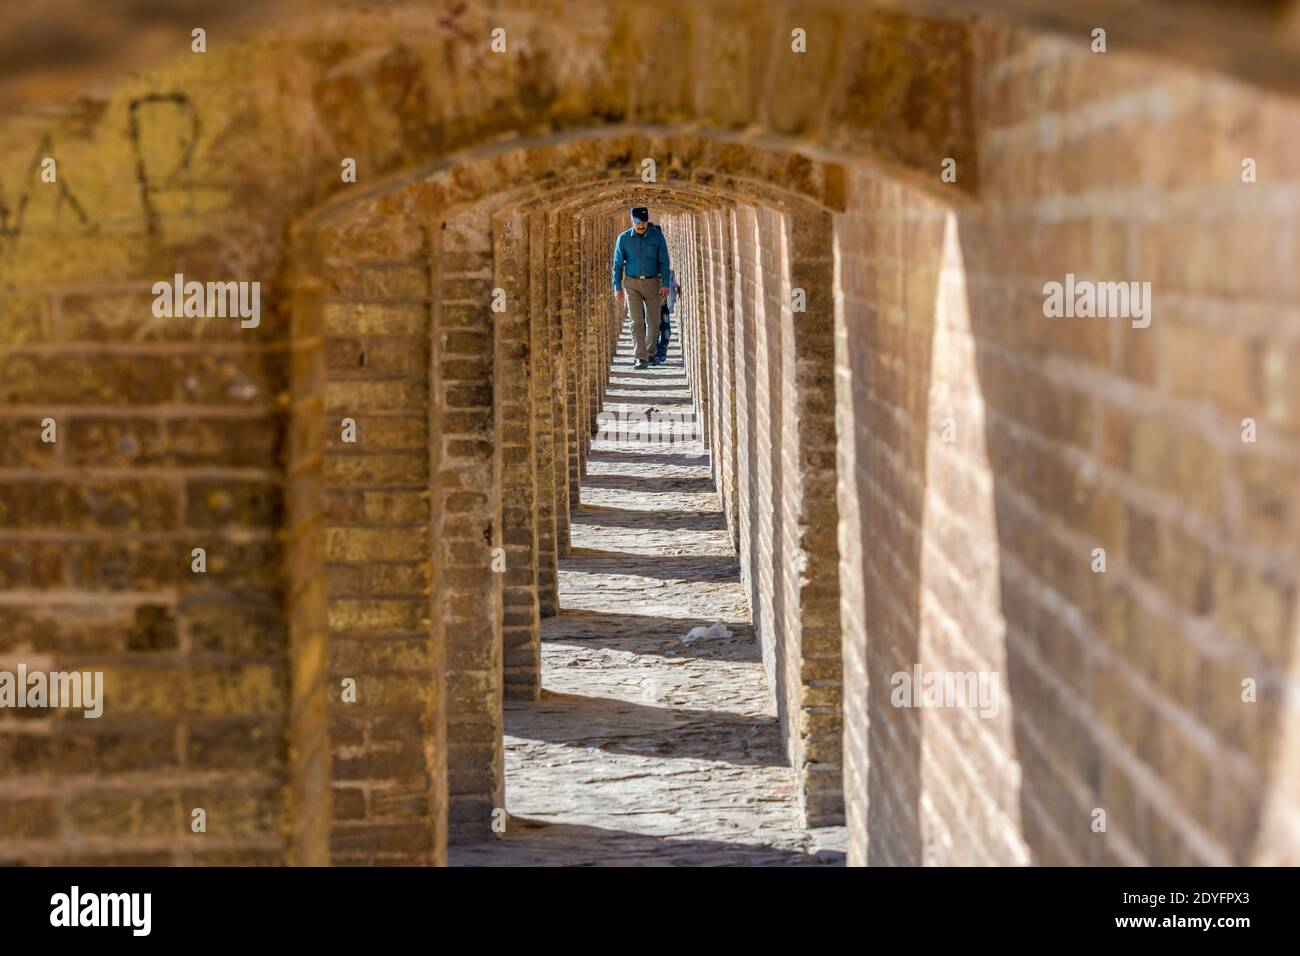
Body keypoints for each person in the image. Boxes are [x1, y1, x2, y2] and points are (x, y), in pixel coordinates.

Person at [611, 206, 671, 370]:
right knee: (636, 322)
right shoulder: (623, 239)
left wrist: (665, 283)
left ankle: (650, 353)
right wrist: (617, 287)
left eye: (644, 222)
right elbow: (617, 265)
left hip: (653, 283)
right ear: (632, 221)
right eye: (638, 222)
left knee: (654, 322)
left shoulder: (657, 236)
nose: (641, 225)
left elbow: (664, 261)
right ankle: (640, 357)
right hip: (632, 284)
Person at [651, 268, 679, 365]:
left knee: (666, 332)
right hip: (649, 309)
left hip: (663, 307)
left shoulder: (668, 273)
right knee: (652, 332)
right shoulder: (646, 272)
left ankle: (662, 349)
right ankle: (655, 354)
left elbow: (673, 286)